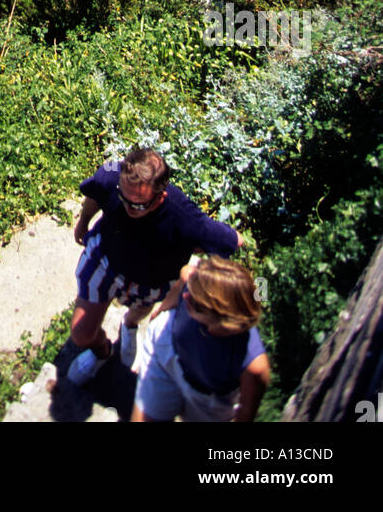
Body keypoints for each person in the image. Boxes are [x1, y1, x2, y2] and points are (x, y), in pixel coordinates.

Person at [67, 146, 241, 385]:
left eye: (138, 205)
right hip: (105, 260)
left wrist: (191, 251)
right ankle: (102, 351)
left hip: (151, 281)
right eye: (123, 198)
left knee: (141, 309)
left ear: (160, 197)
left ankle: (129, 325)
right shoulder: (111, 176)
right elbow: (96, 193)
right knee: (81, 334)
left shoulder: (184, 216)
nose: (129, 208)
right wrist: (83, 222)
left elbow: (235, 241)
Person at [131, 255, 271, 422]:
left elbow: (245, 414)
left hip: (210, 398)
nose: (186, 297)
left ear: (225, 325)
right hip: (168, 349)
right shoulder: (195, 280)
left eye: (195, 303)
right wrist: (160, 311)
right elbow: (185, 275)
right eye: (190, 290)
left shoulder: (253, 366)